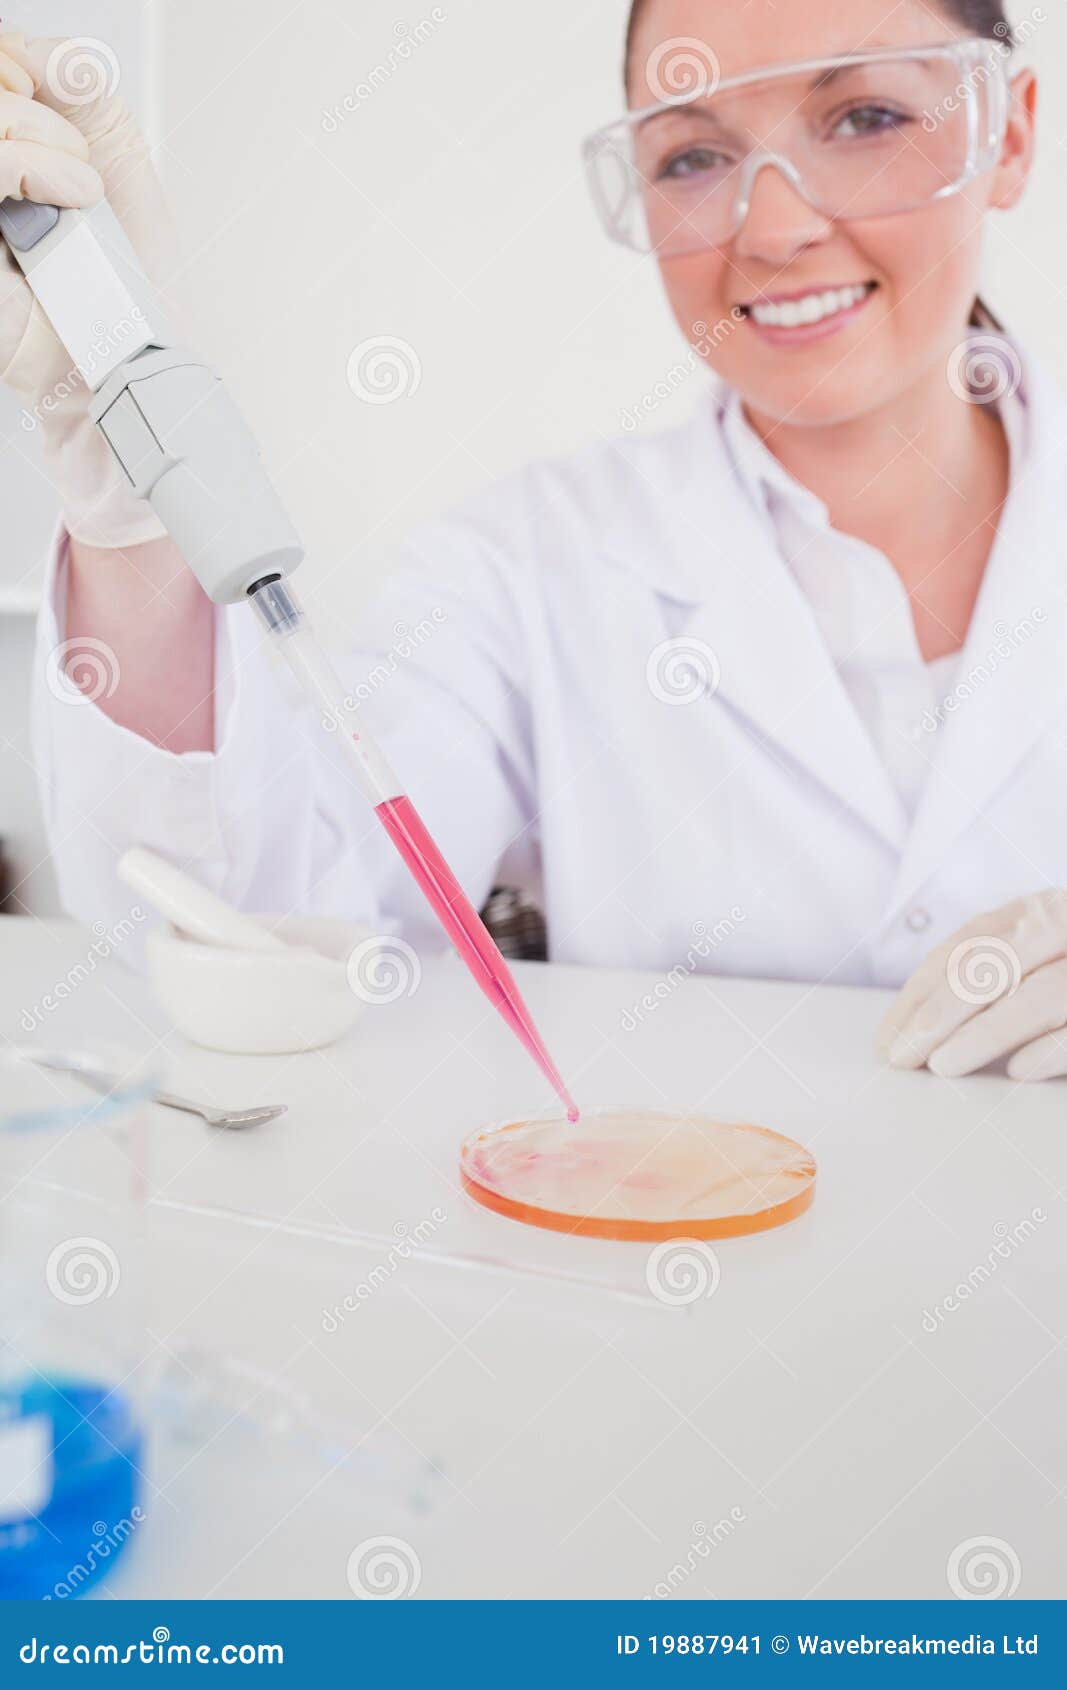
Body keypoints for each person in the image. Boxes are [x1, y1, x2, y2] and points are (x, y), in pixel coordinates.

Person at [3, 4, 1065, 1082]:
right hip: (671, 1234)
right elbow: (254, 923)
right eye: (694, 154)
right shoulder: (529, 564)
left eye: (865, 117)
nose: (774, 227)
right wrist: (134, 488)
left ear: (1007, 134)